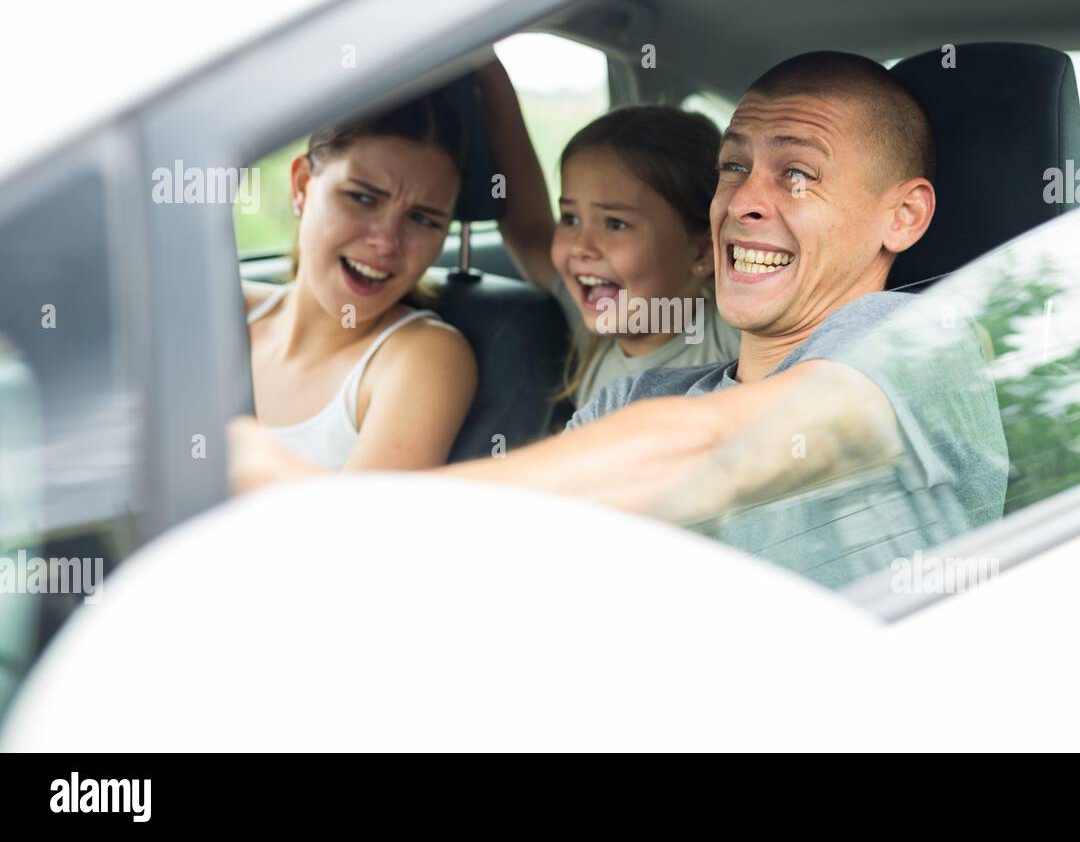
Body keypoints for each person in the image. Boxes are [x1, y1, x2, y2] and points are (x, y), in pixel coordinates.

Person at [231, 51, 1007, 587]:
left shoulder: (923, 347)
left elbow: (709, 450)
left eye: (796, 174)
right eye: (733, 167)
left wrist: (344, 516)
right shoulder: (628, 402)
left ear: (902, 217)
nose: (743, 200)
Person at [475, 56, 739, 408]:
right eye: (569, 218)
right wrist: (490, 75)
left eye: (615, 224)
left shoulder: (731, 338)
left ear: (703, 252)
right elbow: (527, 229)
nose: (581, 246)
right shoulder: (597, 331)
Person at [242, 92, 477, 471]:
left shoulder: (418, 356)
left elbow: (357, 527)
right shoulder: (229, 312)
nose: (386, 243)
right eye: (362, 198)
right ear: (302, 185)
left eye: (423, 219)